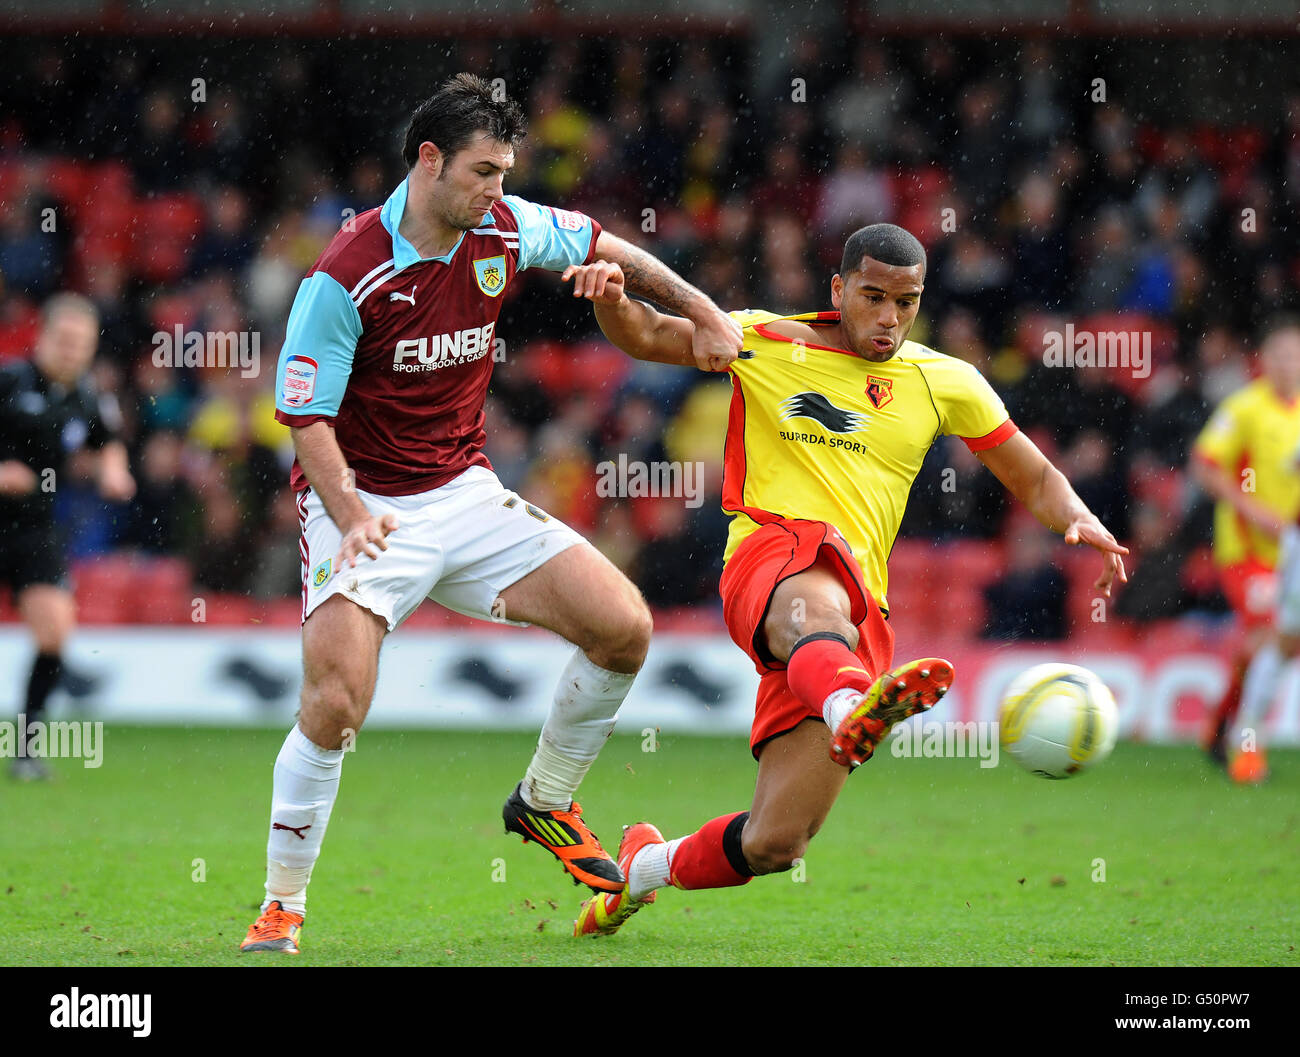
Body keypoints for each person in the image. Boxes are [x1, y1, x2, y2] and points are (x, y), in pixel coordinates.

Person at [240, 74, 741, 954]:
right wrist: (350, 512)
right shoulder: (346, 275)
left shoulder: (504, 227)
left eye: (506, 172)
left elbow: (605, 242)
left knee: (624, 628)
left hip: (465, 493)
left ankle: (545, 800)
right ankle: (283, 904)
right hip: (364, 503)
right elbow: (306, 419)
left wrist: (700, 310)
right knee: (337, 701)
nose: (498, 190)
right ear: (429, 160)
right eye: (483, 172)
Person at [560, 223, 1127, 936]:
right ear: (838, 288)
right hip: (769, 556)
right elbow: (648, 334)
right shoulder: (764, 340)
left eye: (906, 302)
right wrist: (612, 298)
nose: (889, 317)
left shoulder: (946, 380)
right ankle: (850, 705)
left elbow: (1034, 475)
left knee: (776, 842)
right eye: (873, 296)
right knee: (817, 582)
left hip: (854, 615)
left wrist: (1081, 519)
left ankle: (643, 867)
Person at [0, 292, 135, 780]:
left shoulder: (87, 396)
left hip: (34, 528)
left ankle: (26, 751)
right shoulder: (10, 381)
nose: (71, 350)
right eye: (64, 339)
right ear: (42, 337)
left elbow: (109, 441)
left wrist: (114, 470)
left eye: (81, 342)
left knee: (55, 631)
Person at [1190, 318, 1300, 770]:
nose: (1288, 364)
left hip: (1292, 553)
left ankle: (1221, 721)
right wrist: (1252, 509)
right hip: (1247, 549)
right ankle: (1248, 746)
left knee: (1279, 644)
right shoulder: (1243, 408)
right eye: (1280, 355)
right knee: (1268, 634)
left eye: (1295, 356)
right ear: (1263, 360)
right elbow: (1204, 466)